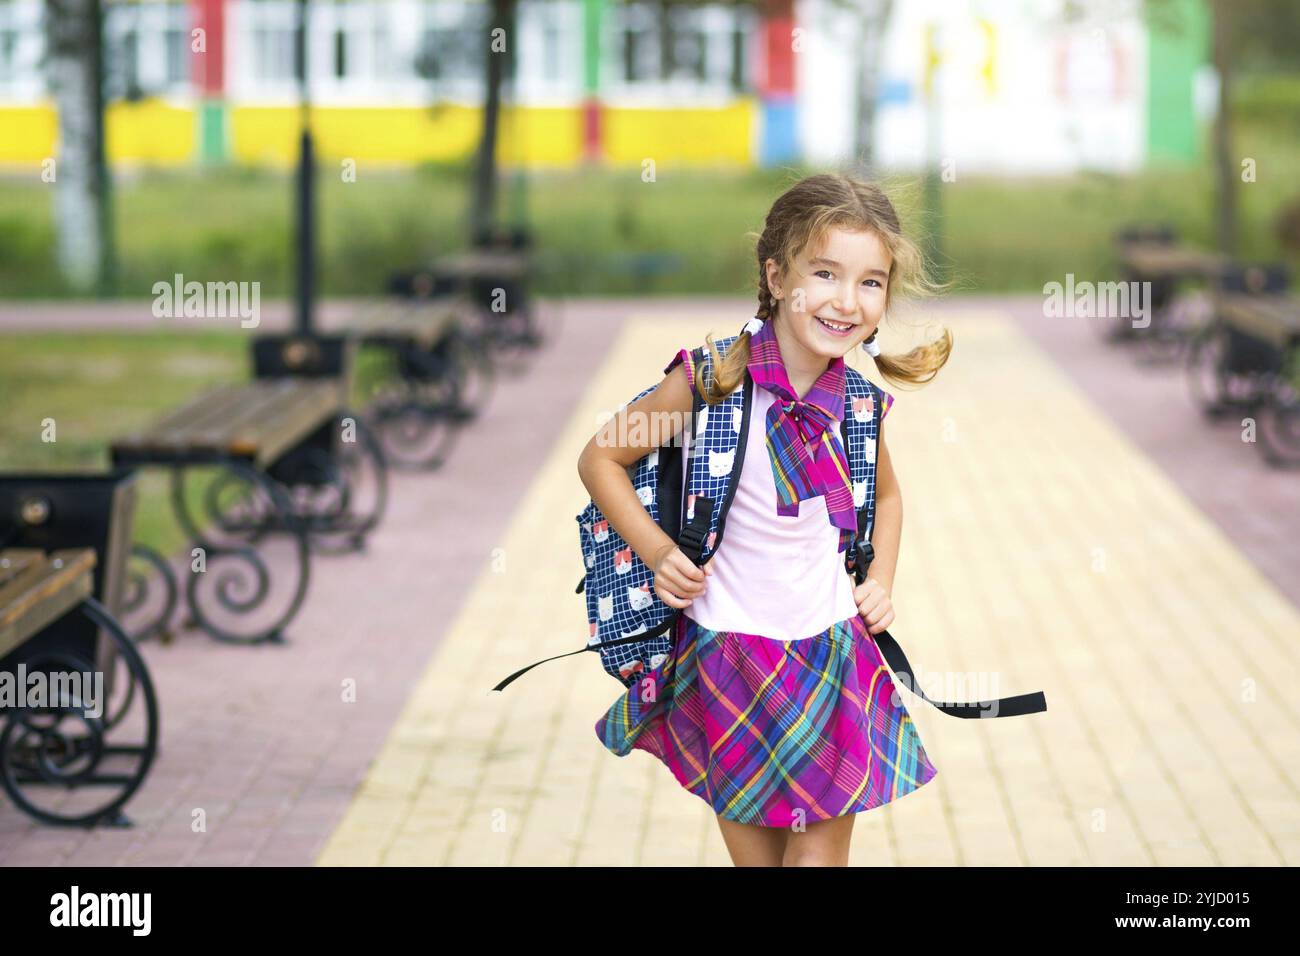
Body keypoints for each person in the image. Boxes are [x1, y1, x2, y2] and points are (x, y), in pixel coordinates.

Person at [578, 172, 953, 867]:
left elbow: (890, 498)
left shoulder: (860, 408)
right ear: (777, 277)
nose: (847, 301)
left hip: (831, 654)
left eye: (871, 282)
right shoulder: (711, 381)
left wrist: (883, 580)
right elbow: (601, 458)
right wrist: (659, 552)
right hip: (727, 657)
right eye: (825, 273)